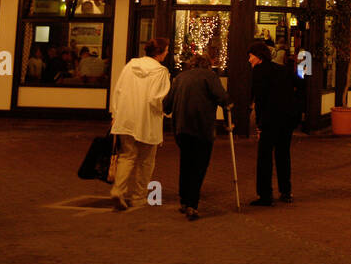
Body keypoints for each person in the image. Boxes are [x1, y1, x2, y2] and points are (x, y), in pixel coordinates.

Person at [163, 53, 231, 220]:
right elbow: (223, 98)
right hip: (202, 128)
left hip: (181, 128)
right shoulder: (210, 76)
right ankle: (192, 204)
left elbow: (167, 106)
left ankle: (184, 200)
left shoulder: (180, 77)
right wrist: (229, 114)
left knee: (186, 163)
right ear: (207, 65)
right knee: (199, 166)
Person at [108, 37, 171, 211]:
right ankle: (138, 197)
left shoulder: (130, 66)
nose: (167, 53)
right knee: (146, 161)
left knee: (127, 156)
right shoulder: (160, 71)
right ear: (159, 53)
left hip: (126, 118)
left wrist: (115, 113)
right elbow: (156, 99)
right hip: (147, 121)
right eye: (166, 50)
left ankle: (118, 190)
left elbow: (118, 90)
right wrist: (167, 111)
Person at [247, 40, 297, 206]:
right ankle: (286, 191)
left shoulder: (259, 72)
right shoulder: (283, 70)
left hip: (270, 120)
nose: (249, 60)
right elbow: (294, 90)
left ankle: (265, 194)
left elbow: (260, 99)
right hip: (286, 119)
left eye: (251, 56)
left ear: (259, 57)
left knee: (265, 157)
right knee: (283, 155)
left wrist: (259, 125)